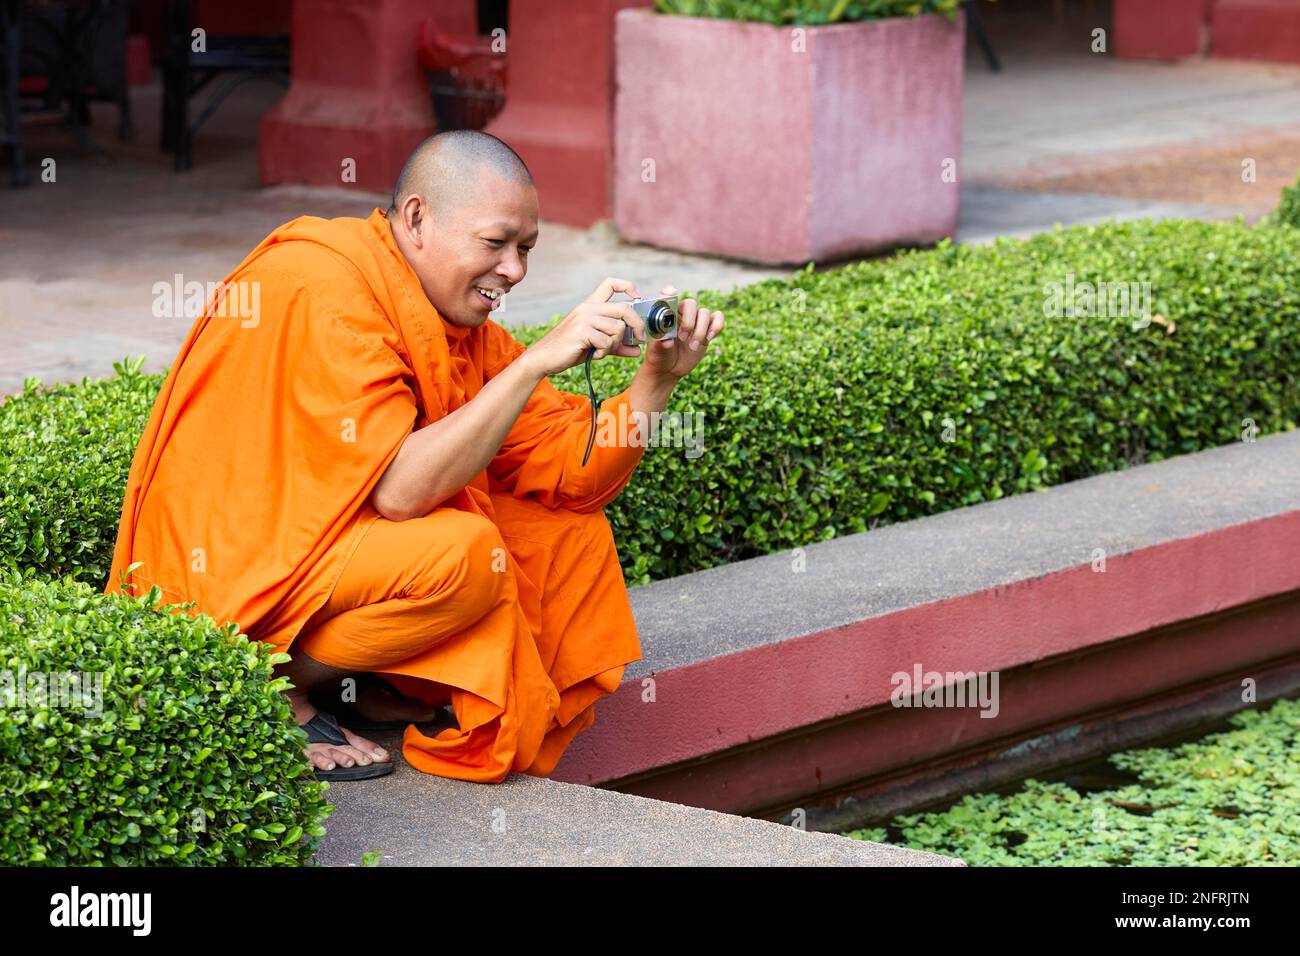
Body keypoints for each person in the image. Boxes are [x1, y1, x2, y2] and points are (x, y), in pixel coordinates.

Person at [105, 130, 723, 783]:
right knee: (462, 556)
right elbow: (399, 492)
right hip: (235, 563)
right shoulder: (321, 283)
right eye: (495, 244)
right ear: (418, 219)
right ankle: (259, 680)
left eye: (526, 249)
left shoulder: (450, 322)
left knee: (564, 533)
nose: (513, 269)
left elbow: (569, 474)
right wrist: (543, 357)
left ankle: (360, 675)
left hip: (330, 539)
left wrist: (655, 383)